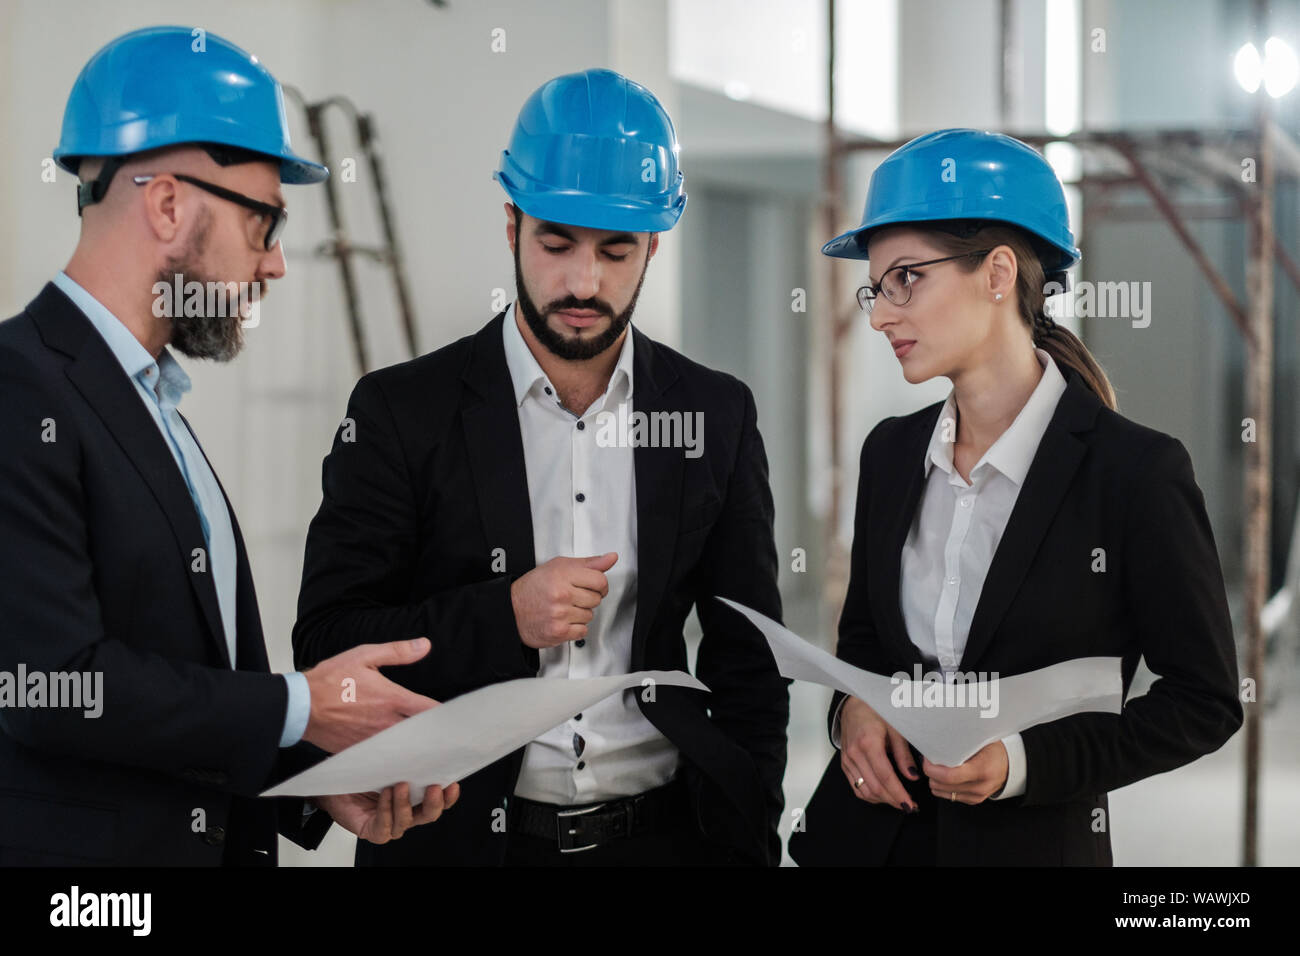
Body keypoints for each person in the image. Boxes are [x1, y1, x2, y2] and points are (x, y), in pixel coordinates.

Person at [293, 68, 789, 866]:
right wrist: (505, 616)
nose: (583, 282)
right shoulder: (400, 411)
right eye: (556, 243)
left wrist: (749, 837)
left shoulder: (714, 413)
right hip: (460, 844)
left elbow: (750, 663)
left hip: (663, 841)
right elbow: (328, 645)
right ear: (512, 225)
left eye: (615, 250)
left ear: (654, 243)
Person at [0, 26, 458, 867]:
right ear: (169, 203)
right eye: (264, 225)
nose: (277, 265)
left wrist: (306, 770)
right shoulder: (18, 384)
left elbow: (175, 673)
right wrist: (299, 705)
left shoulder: (150, 402)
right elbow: (51, 687)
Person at [788, 128, 1243, 866]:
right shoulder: (891, 452)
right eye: (876, 288)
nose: (879, 316)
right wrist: (853, 712)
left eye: (906, 279)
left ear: (998, 273)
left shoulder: (1136, 473)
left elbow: (1205, 702)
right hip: (867, 844)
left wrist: (1024, 763)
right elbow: (865, 644)